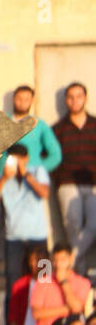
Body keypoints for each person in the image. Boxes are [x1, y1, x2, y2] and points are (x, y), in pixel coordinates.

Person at [0, 143, 50, 298]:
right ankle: (13, 322)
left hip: (39, 236)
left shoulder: (38, 171)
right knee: (13, 283)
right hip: (14, 239)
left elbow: (44, 193)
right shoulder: (3, 177)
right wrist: (3, 178)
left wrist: (26, 175)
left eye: (20, 160)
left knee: (44, 279)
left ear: (27, 159)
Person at [52, 82, 96, 275]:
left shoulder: (95, 124)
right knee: (73, 230)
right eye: (70, 97)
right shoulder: (58, 129)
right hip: (67, 184)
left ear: (85, 98)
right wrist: (58, 181)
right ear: (66, 101)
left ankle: (71, 260)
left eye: (79, 96)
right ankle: (80, 283)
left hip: (93, 184)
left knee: (93, 226)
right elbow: (52, 159)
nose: (75, 100)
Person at [28, 244, 90, 325]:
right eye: (56, 260)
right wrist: (65, 309)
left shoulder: (83, 283)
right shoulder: (43, 281)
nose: (59, 264)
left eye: (63, 260)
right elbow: (36, 313)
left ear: (71, 259)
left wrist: (63, 282)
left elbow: (77, 309)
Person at [0, 85, 61, 178]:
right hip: (4, 177)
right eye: (19, 98)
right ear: (13, 99)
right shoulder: (0, 122)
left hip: (31, 180)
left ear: (32, 100)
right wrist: (0, 166)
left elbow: (55, 154)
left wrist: (38, 170)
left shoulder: (39, 125)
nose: (22, 102)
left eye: (26, 99)